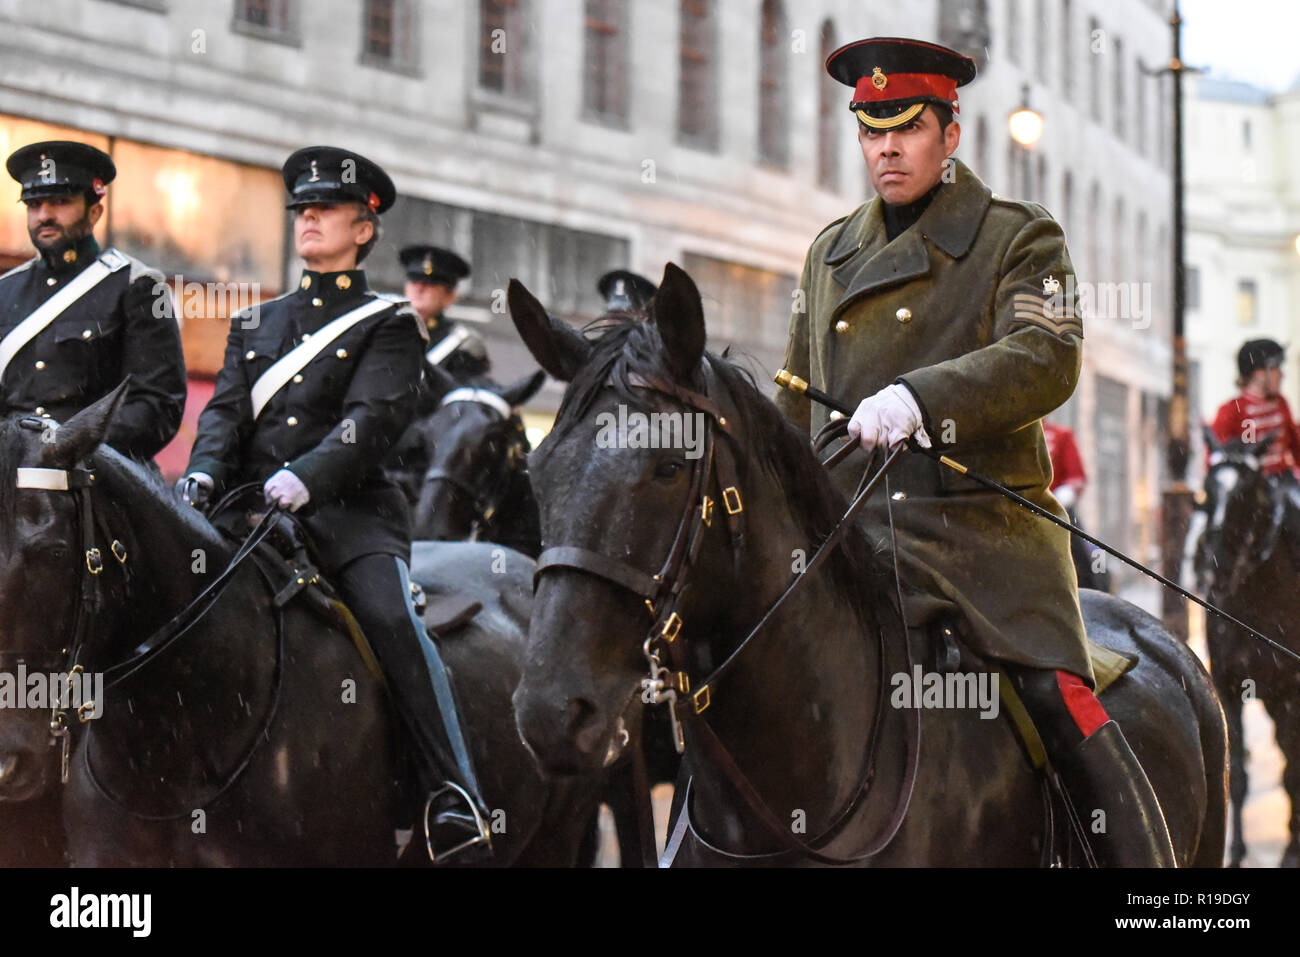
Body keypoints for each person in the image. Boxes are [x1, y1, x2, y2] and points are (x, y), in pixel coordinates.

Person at [775, 36, 1174, 866]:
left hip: (979, 538)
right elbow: (793, 402)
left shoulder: (1018, 237)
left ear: (949, 135)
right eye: (869, 130)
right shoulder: (828, 252)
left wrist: (923, 397)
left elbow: (1048, 353)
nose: (885, 147)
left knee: (1062, 706)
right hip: (852, 537)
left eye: (907, 127)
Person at [177, 147, 489, 860]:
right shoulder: (256, 322)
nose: (308, 218)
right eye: (301, 209)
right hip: (249, 513)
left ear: (364, 228)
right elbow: (224, 417)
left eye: (325, 209)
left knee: (390, 616)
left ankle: (453, 791)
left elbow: (372, 419)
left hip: (348, 518)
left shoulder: (388, 321)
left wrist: (308, 475)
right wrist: (199, 474)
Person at [0, 141, 185, 462]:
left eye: (60, 202)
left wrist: (74, 448)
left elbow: (157, 403)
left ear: (95, 210)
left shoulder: (140, 285)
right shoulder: (5, 291)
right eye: (34, 205)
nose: (44, 216)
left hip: (95, 471)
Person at [1043, 421, 1108, 591]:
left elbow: (1076, 476)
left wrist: (1064, 494)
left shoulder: (1061, 435)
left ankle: (1090, 592)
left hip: (1057, 511)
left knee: (1083, 560)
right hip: (1016, 510)